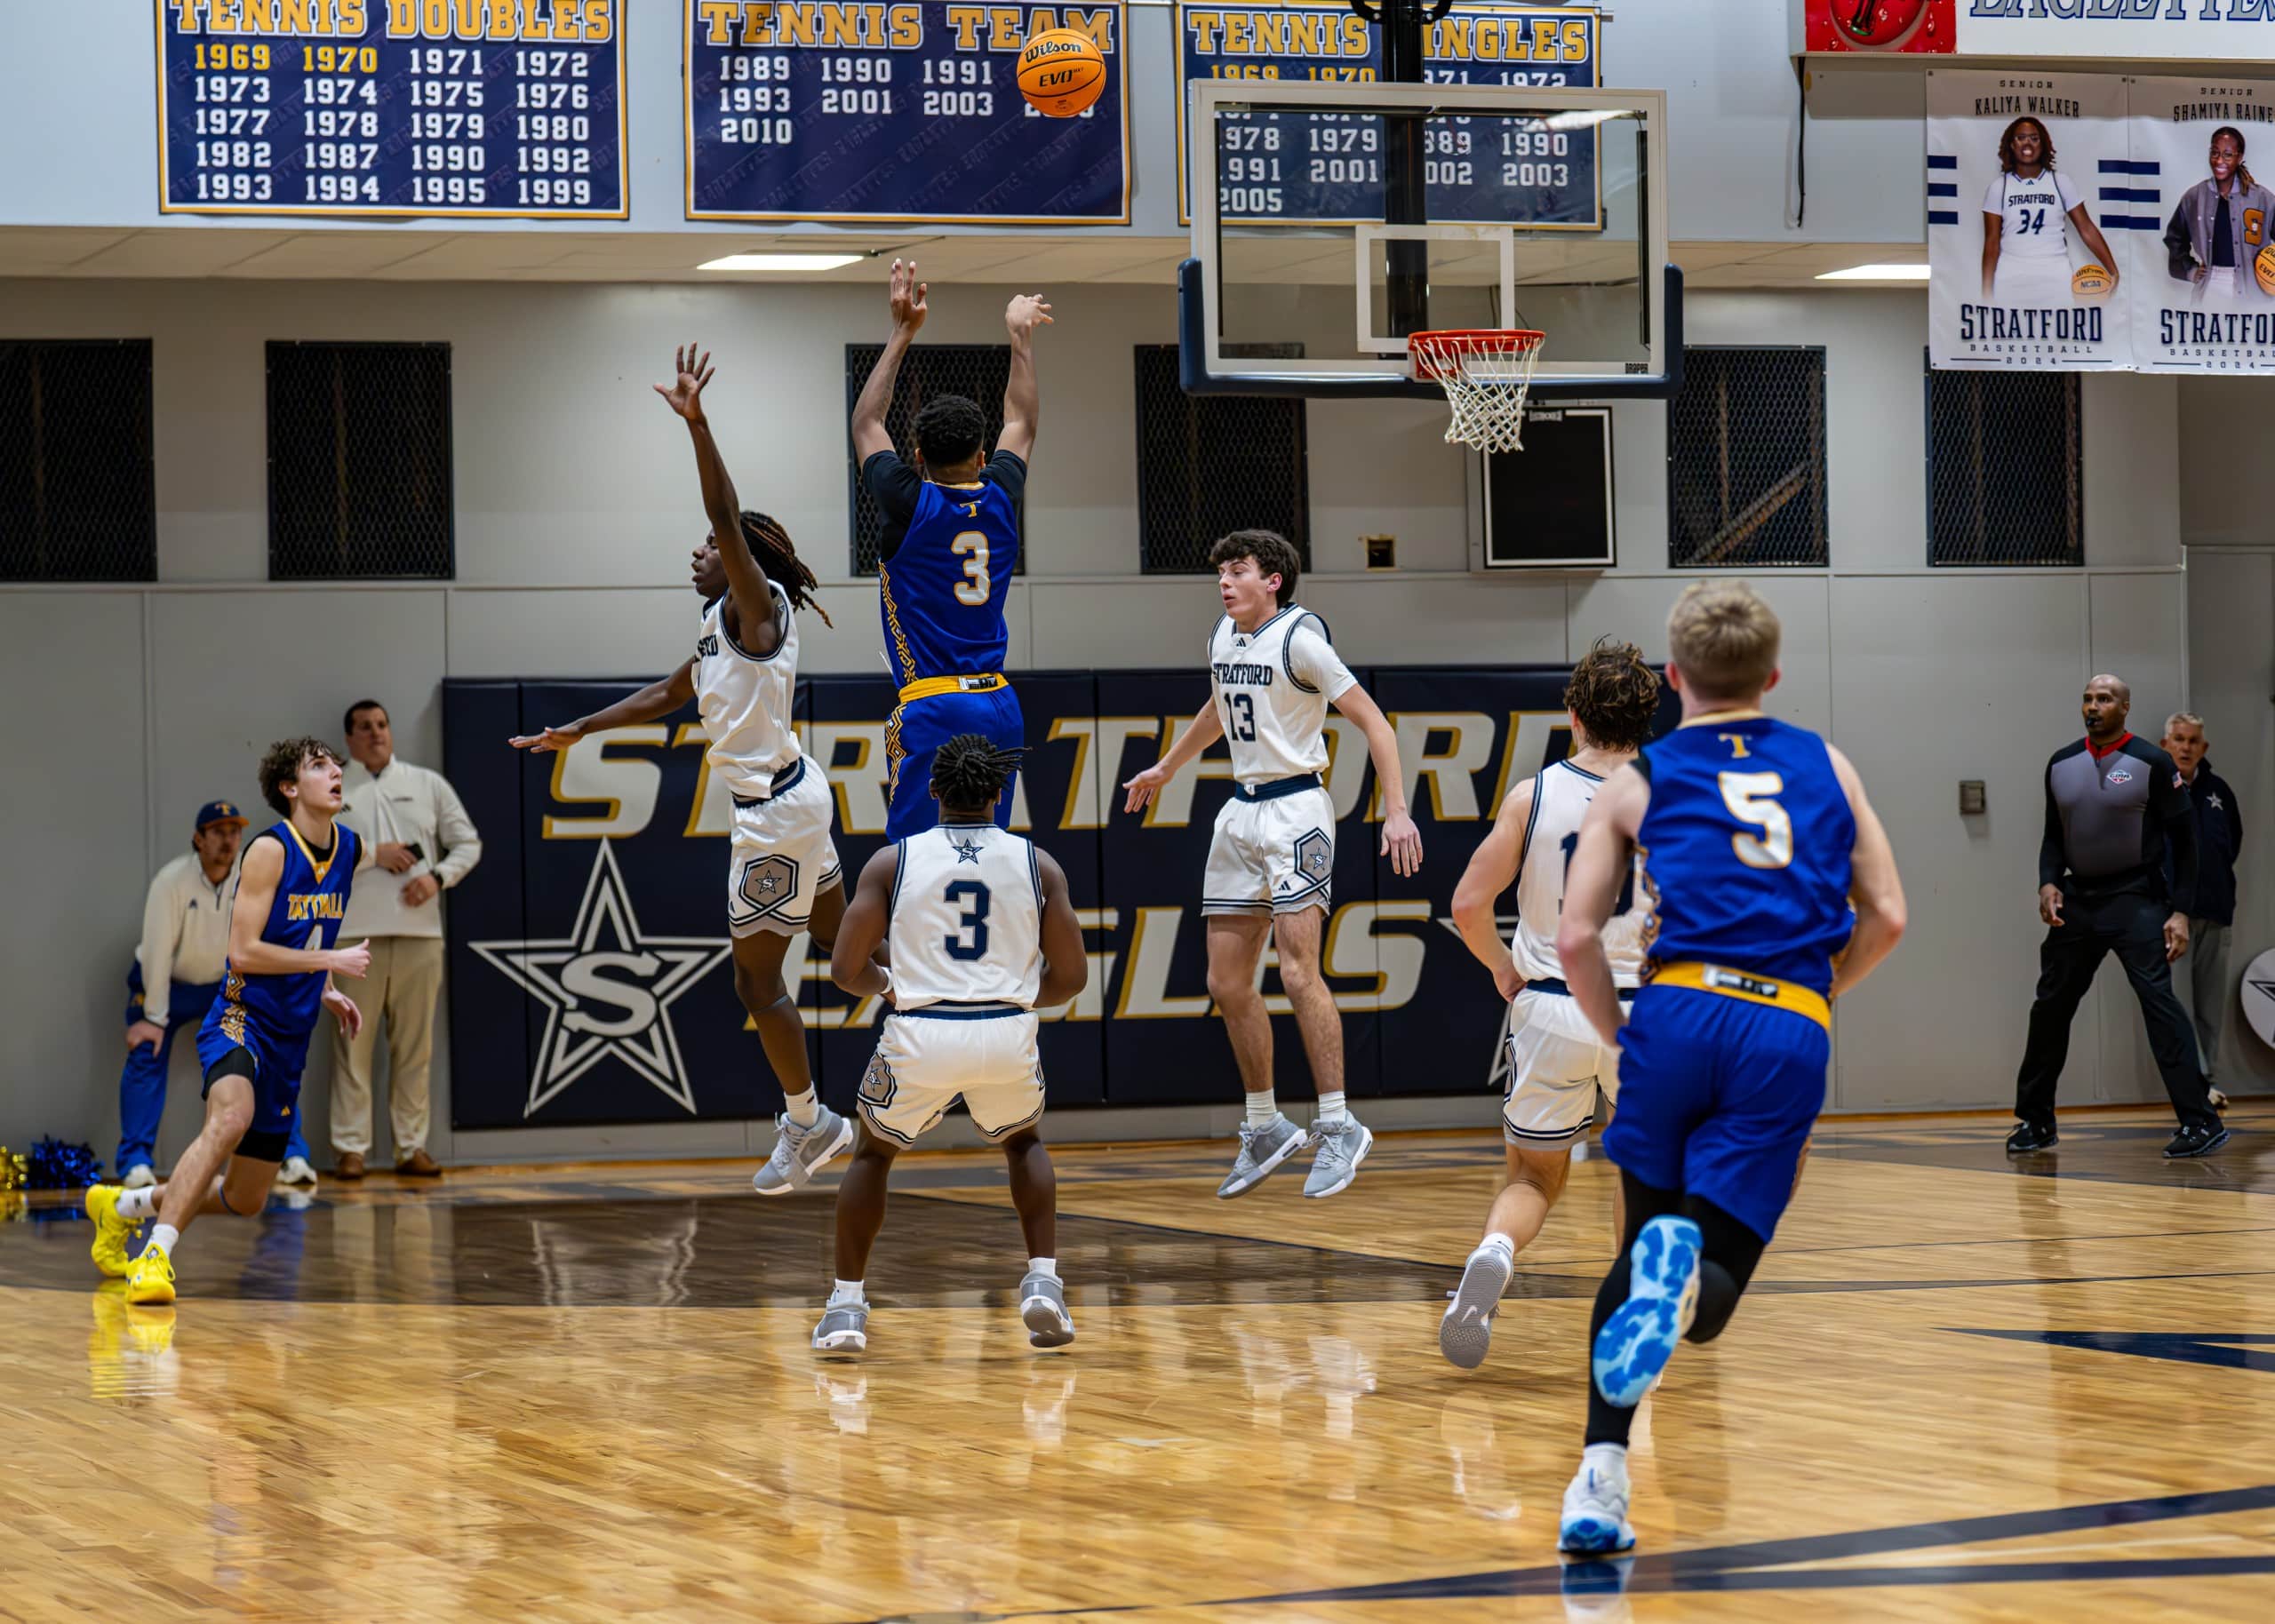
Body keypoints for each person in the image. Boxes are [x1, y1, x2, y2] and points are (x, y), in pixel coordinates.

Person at [1552, 582, 1907, 1555]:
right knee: (1712, 1282)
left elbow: (1577, 932)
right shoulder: (1826, 763)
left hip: (1674, 1008)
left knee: (1636, 1249)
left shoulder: (1640, 778)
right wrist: (1818, 990)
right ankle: (1687, 1288)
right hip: (1783, 1019)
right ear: (1774, 674)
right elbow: (1888, 914)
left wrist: (1621, 1031)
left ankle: (1597, 1487)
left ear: (1676, 680)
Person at [511, 345, 853, 1195]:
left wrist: (699, 426)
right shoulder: (720, 628)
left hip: (772, 812)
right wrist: (578, 731)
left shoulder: (755, 608)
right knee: (843, 949)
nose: (699, 552)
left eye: (713, 547)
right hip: (794, 796)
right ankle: (944, 1009)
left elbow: (726, 514)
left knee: (755, 980)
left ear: (744, 561)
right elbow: (671, 691)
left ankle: (811, 1123)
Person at [1121, 529, 1425, 1201]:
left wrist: (1396, 809)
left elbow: (1375, 722)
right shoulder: (1222, 637)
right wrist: (1170, 765)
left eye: (1238, 571)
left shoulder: (1302, 642)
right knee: (1226, 982)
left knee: (1297, 968)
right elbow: (1219, 706)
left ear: (1274, 581)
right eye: (1222, 572)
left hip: (1296, 813)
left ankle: (1339, 1124)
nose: (1225, 582)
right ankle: (1264, 1125)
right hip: (1239, 813)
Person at [814, 735, 1088, 1355]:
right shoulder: (1039, 865)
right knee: (1023, 1143)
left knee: (873, 1156)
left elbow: (844, 968)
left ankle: (847, 1308)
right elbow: (1070, 978)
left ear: (932, 792)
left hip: (922, 1030)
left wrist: (889, 985)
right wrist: (1013, 998)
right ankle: (1043, 1282)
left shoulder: (892, 862)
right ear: (998, 794)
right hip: (1005, 1031)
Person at [84, 739, 374, 1306]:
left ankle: (121, 1207)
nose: (336, 771)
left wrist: (327, 987)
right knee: (231, 1116)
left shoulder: (350, 849)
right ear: (290, 789)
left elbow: (312, 930)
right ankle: (154, 1256)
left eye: (336, 764)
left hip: (291, 1040)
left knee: (247, 1199)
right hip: (242, 1018)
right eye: (319, 765)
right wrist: (329, 962)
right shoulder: (269, 849)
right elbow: (243, 952)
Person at [1440, 640, 1660, 1371]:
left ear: (1573, 717)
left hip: (1552, 1003)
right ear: (1648, 721)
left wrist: (1505, 969)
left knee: (1533, 1178)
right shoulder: (1675, 798)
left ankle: (1495, 1254)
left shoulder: (1532, 797)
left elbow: (1469, 904)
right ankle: (1632, 1327)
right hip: (1642, 1013)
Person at [849, 258, 1051, 838]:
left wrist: (902, 332)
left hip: (936, 702)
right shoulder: (1002, 495)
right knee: (987, 849)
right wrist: (1019, 338)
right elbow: (1023, 421)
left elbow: (867, 423)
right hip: (999, 703)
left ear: (916, 459)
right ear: (983, 458)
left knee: (914, 858)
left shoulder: (908, 502)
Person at [2008, 675, 2226, 1158]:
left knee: (2159, 1005)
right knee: (2050, 1008)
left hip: (2137, 899)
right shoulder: (2062, 763)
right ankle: (2036, 1120)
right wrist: (2048, 881)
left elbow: (2187, 844)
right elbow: (2052, 834)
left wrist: (2181, 911)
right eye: (2087, 698)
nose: (2093, 705)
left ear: (2125, 708)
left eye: (2104, 699)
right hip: (2078, 901)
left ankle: (2200, 1120)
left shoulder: (2152, 761)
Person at [114, 800, 318, 1190]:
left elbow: (271, 937)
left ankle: (289, 1155)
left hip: (228, 983)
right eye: (219, 832)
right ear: (199, 838)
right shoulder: (171, 881)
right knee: (147, 1049)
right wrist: (154, 1018)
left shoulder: (252, 874)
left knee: (271, 1055)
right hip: (167, 983)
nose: (229, 841)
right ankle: (135, 1163)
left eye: (235, 832)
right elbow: (157, 952)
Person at [332, 698, 483, 1178]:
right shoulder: (332, 788)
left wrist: (437, 877)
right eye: (364, 727)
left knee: (414, 1047)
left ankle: (410, 1147)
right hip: (353, 938)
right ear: (350, 738)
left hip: (419, 934)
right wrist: (374, 853)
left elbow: (468, 843)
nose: (375, 733)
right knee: (352, 1045)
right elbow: (311, 855)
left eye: (381, 725)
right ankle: (351, 1149)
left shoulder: (426, 784)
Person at [2161, 711, 2244, 1111]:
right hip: (2172, 918)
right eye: (2179, 739)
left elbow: (2234, 843)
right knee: (2178, 1005)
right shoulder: (2154, 790)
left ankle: (2208, 1081)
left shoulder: (2219, 793)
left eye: (2193, 740)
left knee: (2210, 1007)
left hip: (2215, 911)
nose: (2186, 747)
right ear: (2166, 745)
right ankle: (2192, 1083)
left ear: (2203, 748)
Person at [1981, 115, 2119, 305]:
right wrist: (1986, 292)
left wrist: (2112, 270)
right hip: (2011, 278)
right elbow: (1992, 242)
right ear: (2012, 145)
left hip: (2055, 277)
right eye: (2020, 138)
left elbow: (2086, 228)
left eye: (2034, 138)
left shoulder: (2061, 182)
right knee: (2013, 335)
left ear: (2043, 145)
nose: (2027, 143)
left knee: (2057, 334)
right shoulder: (1999, 187)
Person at [2161, 126, 2275, 307]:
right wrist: (2190, 271)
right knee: (2204, 335)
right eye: (2214, 153)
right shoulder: (2194, 196)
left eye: (2228, 154)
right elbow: (2174, 238)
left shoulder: (2262, 198)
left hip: (2253, 288)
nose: (2219, 160)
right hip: (2212, 285)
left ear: (2240, 157)